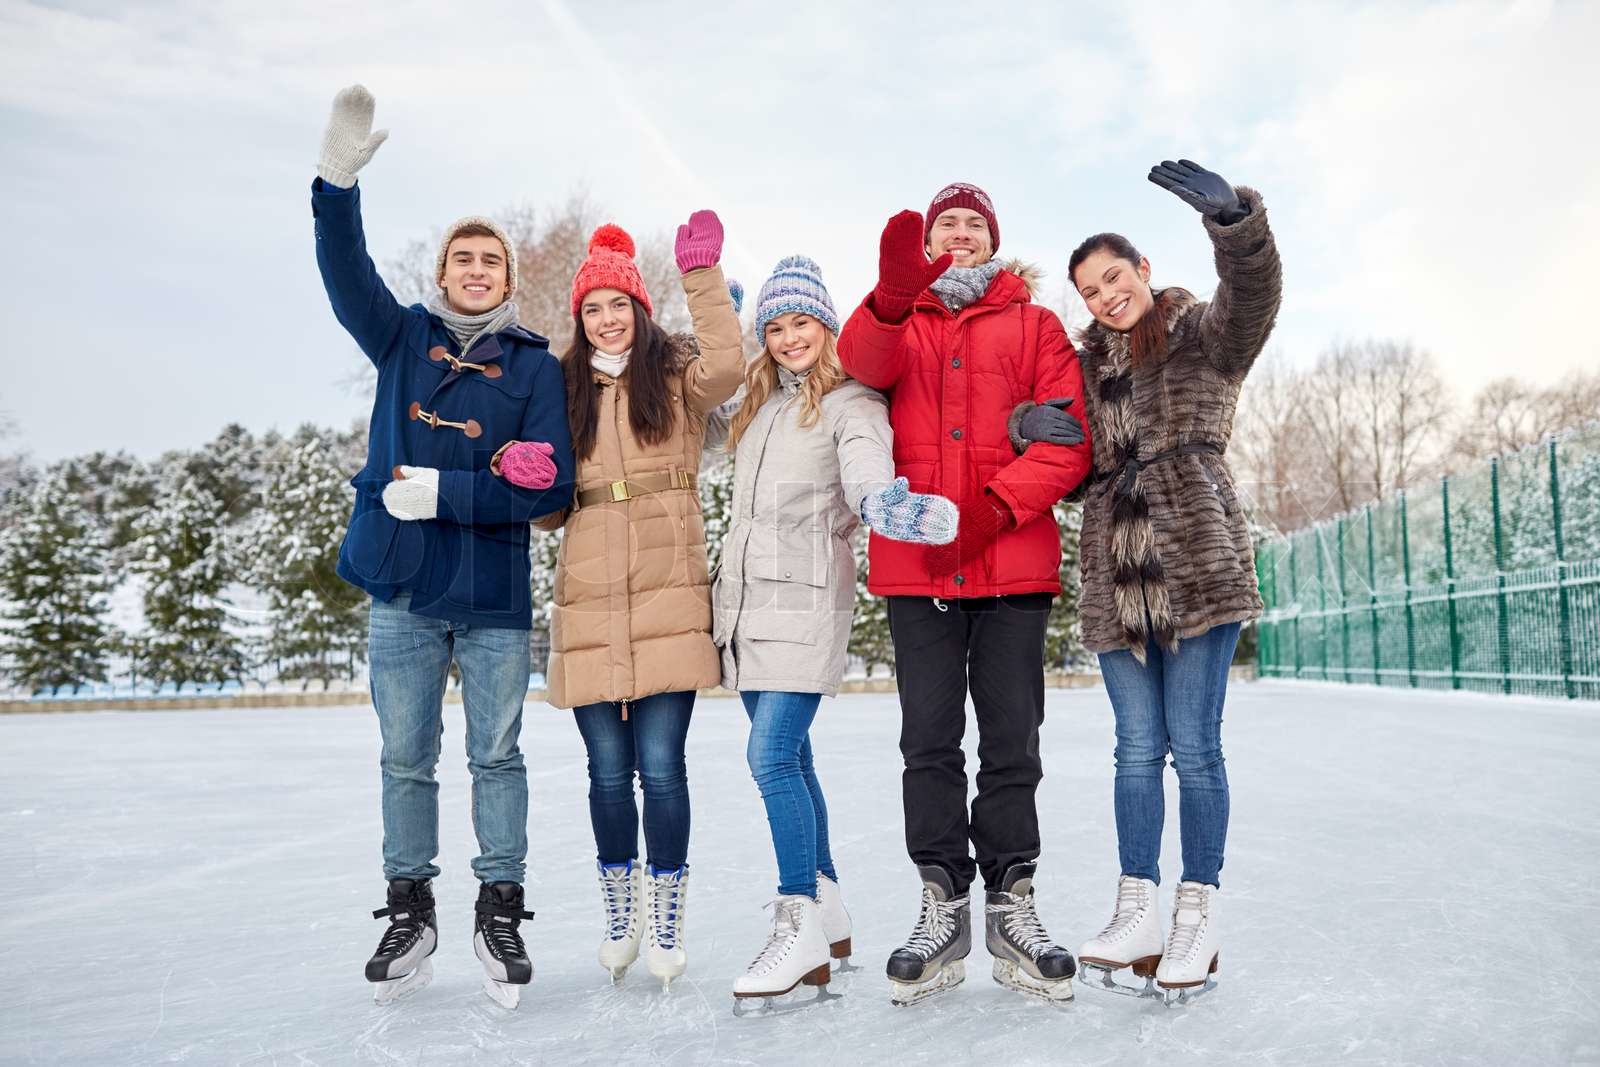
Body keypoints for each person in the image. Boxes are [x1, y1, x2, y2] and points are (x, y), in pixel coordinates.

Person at [309, 85, 574, 1008]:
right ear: (445, 272)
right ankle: (409, 904)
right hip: (403, 587)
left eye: (488, 260)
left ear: (508, 279)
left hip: (495, 591)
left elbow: (554, 486)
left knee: (496, 756)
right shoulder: (402, 340)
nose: (474, 269)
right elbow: (346, 275)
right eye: (461, 257)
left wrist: (448, 489)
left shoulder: (536, 367)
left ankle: (500, 902)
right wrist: (333, 187)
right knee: (403, 755)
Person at [1017, 159, 1282, 1002]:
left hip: (1195, 559)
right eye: (1089, 290)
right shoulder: (1087, 372)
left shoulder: (1199, 332)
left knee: (1194, 748)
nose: (1104, 296)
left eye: (1113, 277)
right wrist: (1037, 428)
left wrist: (1237, 226)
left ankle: (1195, 914)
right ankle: (1137, 908)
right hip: (1115, 571)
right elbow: (1066, 460)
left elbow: (1256, 301)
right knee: (1136, 748)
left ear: (1143, 272)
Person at [837, 183, 1094, 1004]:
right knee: (930, 743)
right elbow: (859, 366)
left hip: (1012, 565)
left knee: (1013, 742)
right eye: (947, 222)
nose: (959, 233)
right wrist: (888, 295)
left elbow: (1069, 439)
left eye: (973, 224)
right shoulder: (897, 318)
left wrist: (991, 510)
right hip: (918, 573)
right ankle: (941, 904)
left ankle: (1013, 902)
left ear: (992, 242)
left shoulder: (1037, 324)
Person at [699, 256, 957, 1009]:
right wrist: (719, 327)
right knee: (793, 756)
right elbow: (696, 416)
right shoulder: (758, 401)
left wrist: (887, 506)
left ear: (826, 325)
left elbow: (865, 468)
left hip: (806, 600)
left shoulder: (850, 401)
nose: (787, 340)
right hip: (745, 605)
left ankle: (798, 918)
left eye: (800, 324)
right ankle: (830, 904)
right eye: (774, 328)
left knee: (770, 753)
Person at [522, 214, 742, 991]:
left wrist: (704, 282)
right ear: (578, 320)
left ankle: (668, 911)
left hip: (667, 595)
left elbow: (731, 366)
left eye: (619, 304)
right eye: (592, 308)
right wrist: (524, 474)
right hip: (586, 599)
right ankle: (621, 909)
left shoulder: (675, 372)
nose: (607, 318)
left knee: (662, 766)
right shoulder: (562, 385)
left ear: (640, 309)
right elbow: (550, 507)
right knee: (607, 774)